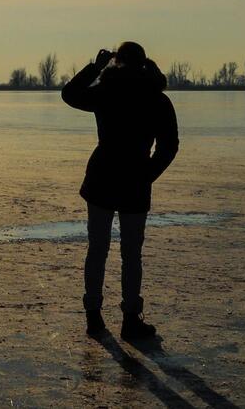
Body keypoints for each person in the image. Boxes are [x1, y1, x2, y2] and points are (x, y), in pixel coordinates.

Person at [62, 42, 179, 341]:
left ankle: (93, 316)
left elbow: (70, 94)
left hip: (103, 177)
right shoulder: (156, 98)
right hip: (134, 182)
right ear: (143, 63)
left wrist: (95, 66)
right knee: (131, 254)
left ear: (116, 62)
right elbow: (169, 146)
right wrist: (147, 174)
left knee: (98, 249)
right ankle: (129, 319)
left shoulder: (106, 91)